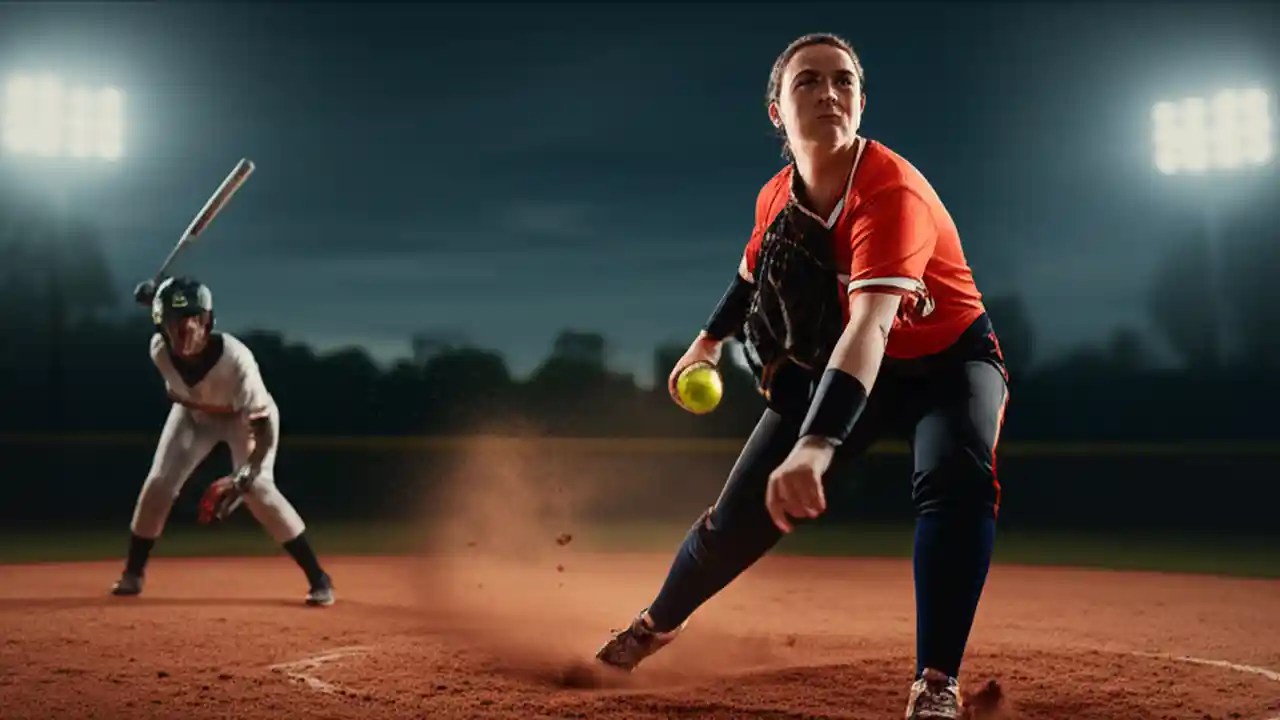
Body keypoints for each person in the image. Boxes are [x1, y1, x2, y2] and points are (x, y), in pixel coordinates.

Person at [593, 33, 1009, 720]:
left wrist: (816, 446)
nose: (829, 93)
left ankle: (935, 682)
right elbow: (749, 276)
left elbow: (870, 327)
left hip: (950, 362)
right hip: (849, 369)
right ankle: (651, 627)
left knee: (954, 478)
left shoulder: (890, 191)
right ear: (777, 113)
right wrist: (707, 343)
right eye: (808, 82)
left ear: (862, 100)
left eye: (844, 80)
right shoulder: (778, 197)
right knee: (736, 520)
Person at [109, 275, 336, 607]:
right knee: (159, 484)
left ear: (209, 321)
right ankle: (133, 573)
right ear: (161, 323)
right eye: (177, 320)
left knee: (259, 490)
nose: (188, 328)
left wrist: (244, 475)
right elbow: (167, 326)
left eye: (197, 319)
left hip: (245, 421)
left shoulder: (236, 360)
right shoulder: (159, 349)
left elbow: (264, 430)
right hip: (193, 416)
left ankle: (319, 578)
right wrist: (159, 300)